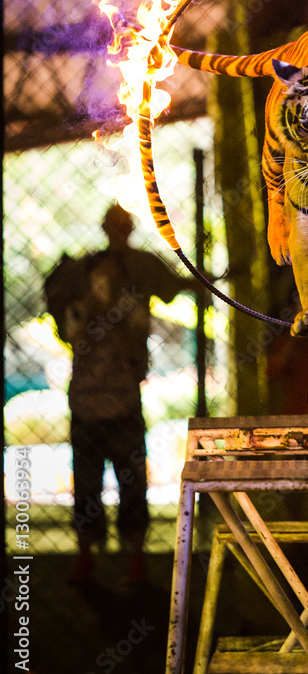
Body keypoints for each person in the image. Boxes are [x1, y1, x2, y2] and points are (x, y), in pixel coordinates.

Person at [46, 203, 189, 585]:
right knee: (89, 479)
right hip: (89, 400)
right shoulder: (83, 282)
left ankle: (133, 558)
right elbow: (69, 329)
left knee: (130, 480)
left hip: (121, 398)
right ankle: (87, 554)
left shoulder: (137, 277)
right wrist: (93, 310)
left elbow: (164, 299)